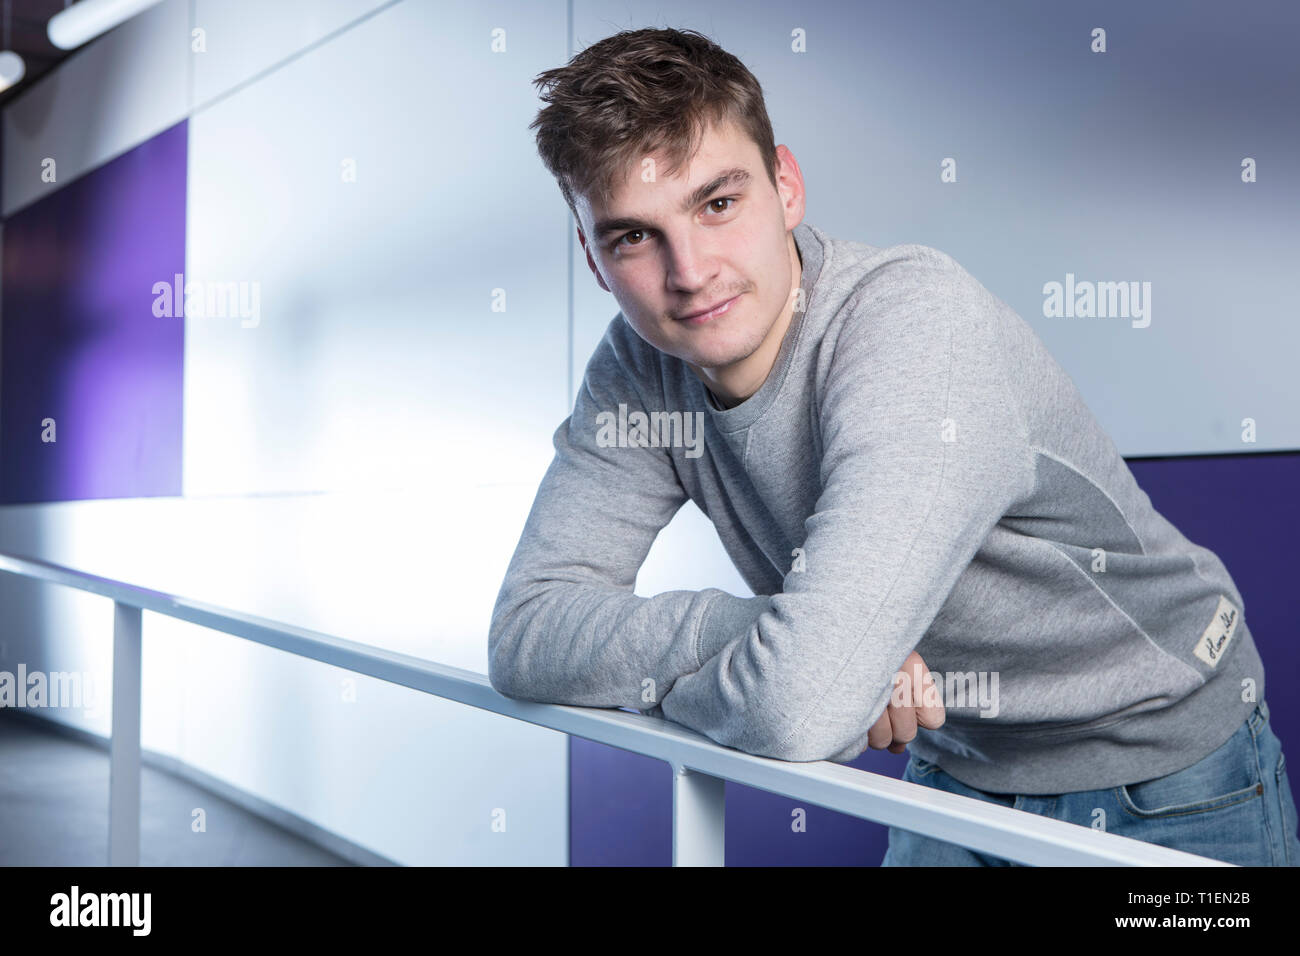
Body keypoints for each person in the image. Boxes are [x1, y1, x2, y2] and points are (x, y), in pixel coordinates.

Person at [487, 26, 1300, 867]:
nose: (689, 271)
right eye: (633, 236)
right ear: (593, 257)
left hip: (1168, 772)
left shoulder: (913, 326)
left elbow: (799, 705)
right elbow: (526, 631)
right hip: (958, 764)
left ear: (786, 186)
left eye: (717, 203)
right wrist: (761, 633)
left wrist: (819, 665)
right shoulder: (639, 368)